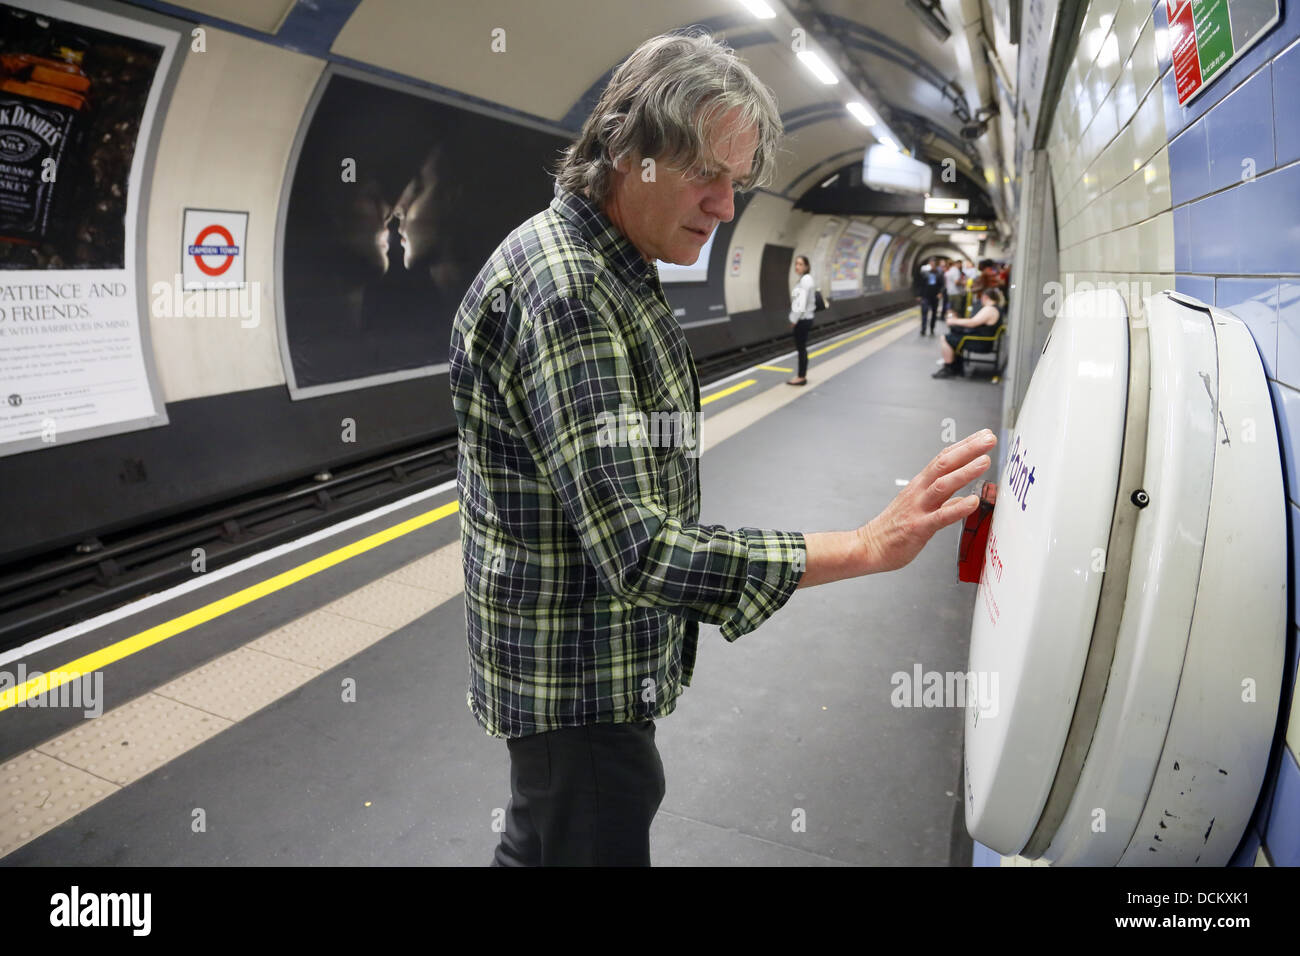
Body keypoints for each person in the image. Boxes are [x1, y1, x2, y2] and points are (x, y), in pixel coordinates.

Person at [449, 30, 996, 867]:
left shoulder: (613, 267)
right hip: (576, 679)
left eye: (737, 183)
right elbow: (639, 549)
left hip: (591, 666)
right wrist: (861, 546)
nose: (726, 207)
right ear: (630, 153)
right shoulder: (567, 292)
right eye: (707, 174)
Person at [932, 287, 1004, 379]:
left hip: (980, 342)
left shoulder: (989, 309)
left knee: (945, 338)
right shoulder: (996, 308)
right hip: (981, 340)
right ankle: (956, 367)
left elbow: (972, 322)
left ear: (985, 297)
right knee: (954, 335)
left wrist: (954, 321)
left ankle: (949, 368)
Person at [787, 254, 815, 385]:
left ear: (807, 266)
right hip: (804, 318)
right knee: (801, 348)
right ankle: (801, 375)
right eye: (796, 264)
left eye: (800, 264)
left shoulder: (805, 280)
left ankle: (801, 377)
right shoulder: (804, 279)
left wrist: (794, 320)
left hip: (802, 319)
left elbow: (800, 303)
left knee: (801, 348)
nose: (797, 267)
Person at [915, 256, 943, 335]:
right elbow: (920, 284)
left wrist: (940, 292)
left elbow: (942, 285)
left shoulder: (939, 273)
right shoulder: (924, 273)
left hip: (935, 296)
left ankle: (932, 328)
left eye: (934, 263)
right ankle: (923, 329)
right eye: (931, 262)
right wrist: (919, 295)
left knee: (934, 313)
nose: (932, 264)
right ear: (929, 263)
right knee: (924, 312)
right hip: (925, 295)